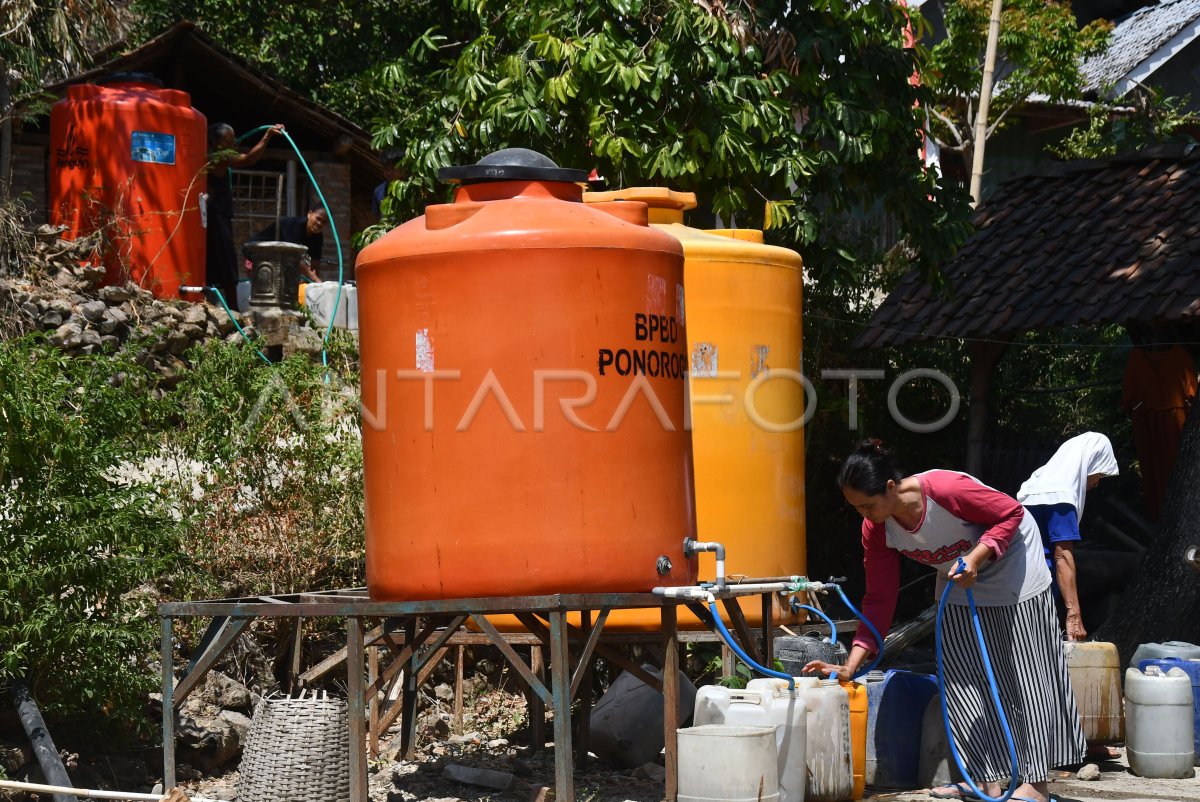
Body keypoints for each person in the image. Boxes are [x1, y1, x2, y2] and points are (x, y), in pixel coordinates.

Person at [805, 441, 1084, 802]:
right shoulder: (876, 529)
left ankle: (1035, 785)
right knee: (961, 677)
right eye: (857, 507)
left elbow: (1011, 513)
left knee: (1024, 677)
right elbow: (879, 598)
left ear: (891, 487)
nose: (864, 514)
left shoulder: (944, 489)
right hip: (957, 575)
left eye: (867, 505)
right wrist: (850, 666)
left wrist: (977, 558)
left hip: (1013, 562)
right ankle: (984, 778)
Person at [1016, 432, 1119, 642]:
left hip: (1015, 578)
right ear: (1087, 464)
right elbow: (1062, 556)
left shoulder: (1036, 486)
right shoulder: (1061, 497)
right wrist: (1074, 615)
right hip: (1035, 587)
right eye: (1099, 473)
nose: (1097, 482)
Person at [205, 122, 283, 305]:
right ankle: (233, 309)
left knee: (215, 261)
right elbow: (248, 159)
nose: (233, 143)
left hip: (215, 214)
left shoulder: (213, 155)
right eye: (229, 140)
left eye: (233, 140)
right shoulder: (218, 158)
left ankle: (215, 302)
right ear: (217, 143)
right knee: (227, 262)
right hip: (217, 215)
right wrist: (268, 136)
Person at [244, 206, 328, 283]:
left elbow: (315, 263)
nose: (319, 223)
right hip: (256, 254)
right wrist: (313, 278)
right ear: (309, 214)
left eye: (323, 222)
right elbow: (294, 256)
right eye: (318, 218)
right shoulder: (294, 225)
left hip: (278, 260)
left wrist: (314, 282)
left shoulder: (318, 236)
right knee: (265, 288)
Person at [372, 148, 405, 220]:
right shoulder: (378, 191)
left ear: (402, 168)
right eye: (386, 169)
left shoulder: (412, 190)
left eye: (393, 169)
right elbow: (375, 219)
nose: (389, 173)